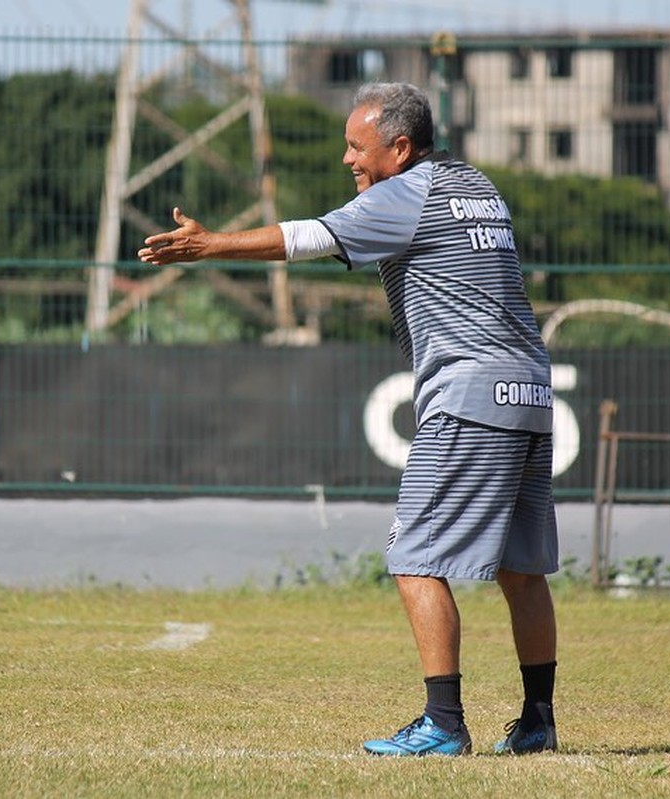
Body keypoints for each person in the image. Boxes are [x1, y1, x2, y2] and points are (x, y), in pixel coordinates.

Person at [139, 82, 559, 756]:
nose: (346, 160)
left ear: (399, 147)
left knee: (415, 556)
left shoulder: (405, 193)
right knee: (521, 569)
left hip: (468, 396)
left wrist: (209, 245)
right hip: (532, 391)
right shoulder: (475, 184)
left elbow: (311, 236)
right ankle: (538, 720)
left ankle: (444, 724)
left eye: (356, 147)